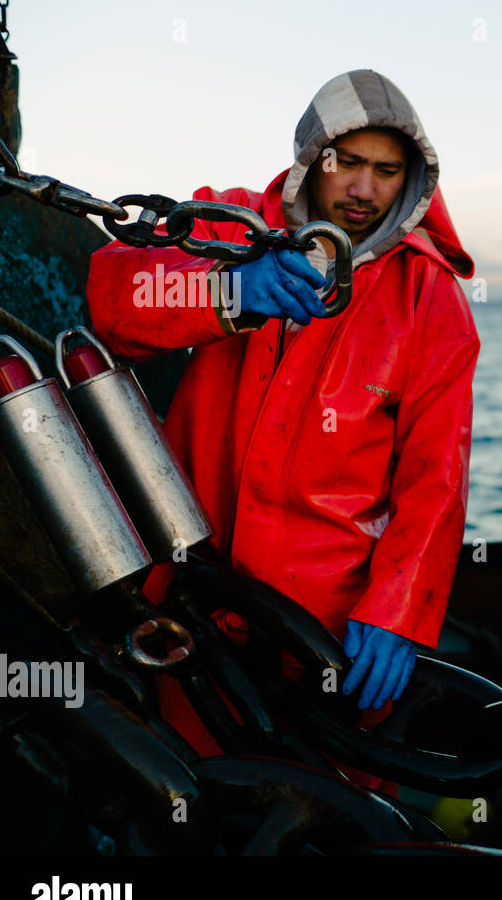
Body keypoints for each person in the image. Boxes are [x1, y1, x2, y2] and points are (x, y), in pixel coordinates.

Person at [86, 69, 478, 756]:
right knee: (187, 794)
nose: (364, 189)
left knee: (333, 808)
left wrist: (398, 612)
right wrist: (228, 291)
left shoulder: (430, 298)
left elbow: (435, 478)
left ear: (414, 177)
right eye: (348, 162)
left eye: (387, 170)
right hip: (189, 603)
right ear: (310, 158)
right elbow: (116, 296)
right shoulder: (224, 225)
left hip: (328, 632)